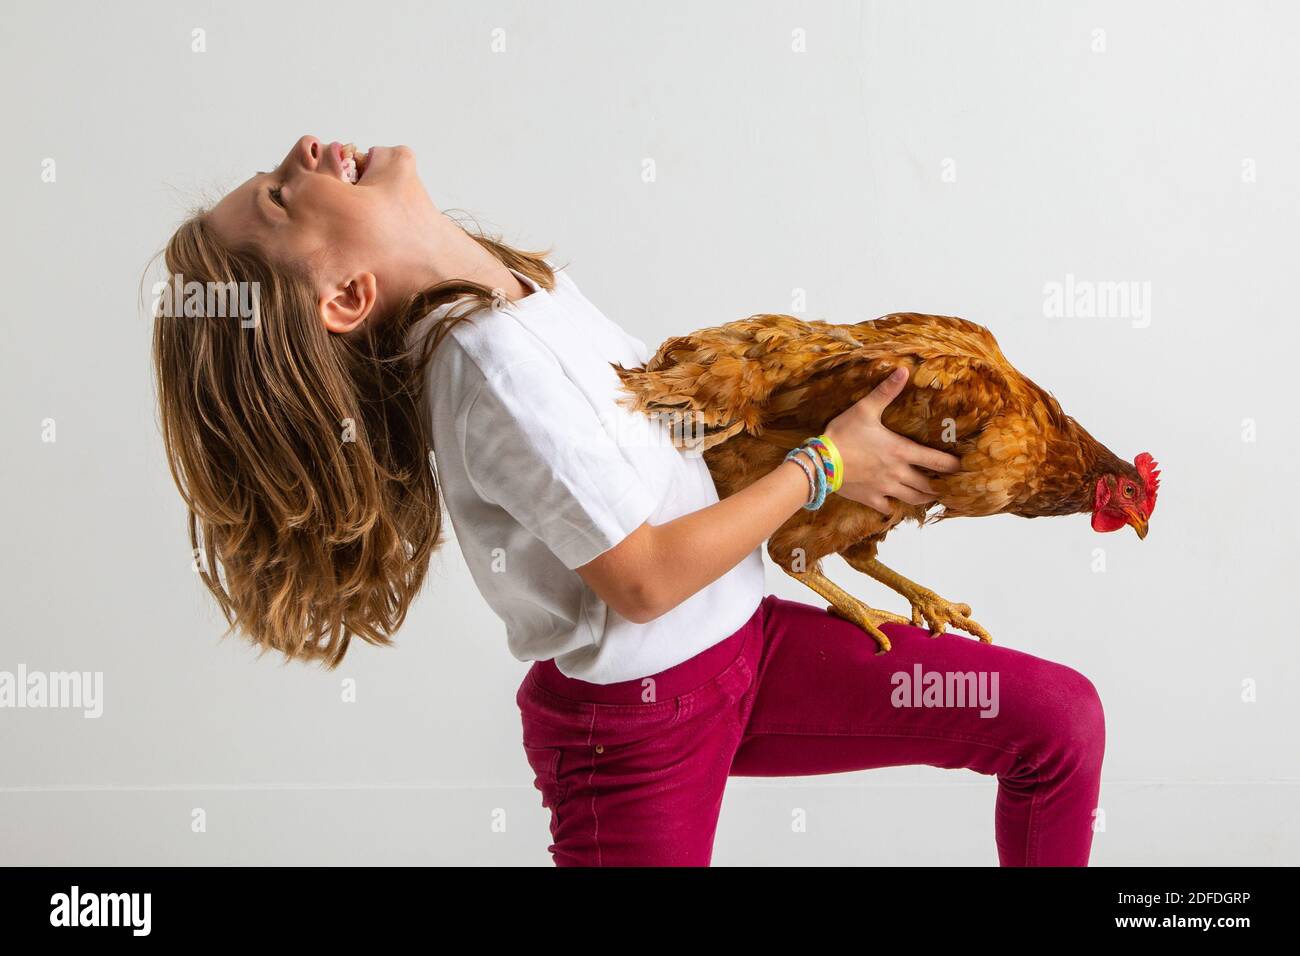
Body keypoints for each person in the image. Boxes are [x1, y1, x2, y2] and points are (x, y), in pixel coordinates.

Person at [152, 134, 1105, 866]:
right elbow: (645, 579)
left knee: (1054, 724)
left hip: (746, 650)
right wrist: (822, 466)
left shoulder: (516, 288)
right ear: (348, 296)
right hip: (636, 733)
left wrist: (796, 400)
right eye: (282, 196)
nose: (306, 151)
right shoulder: (497, 370)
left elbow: (640, 455)